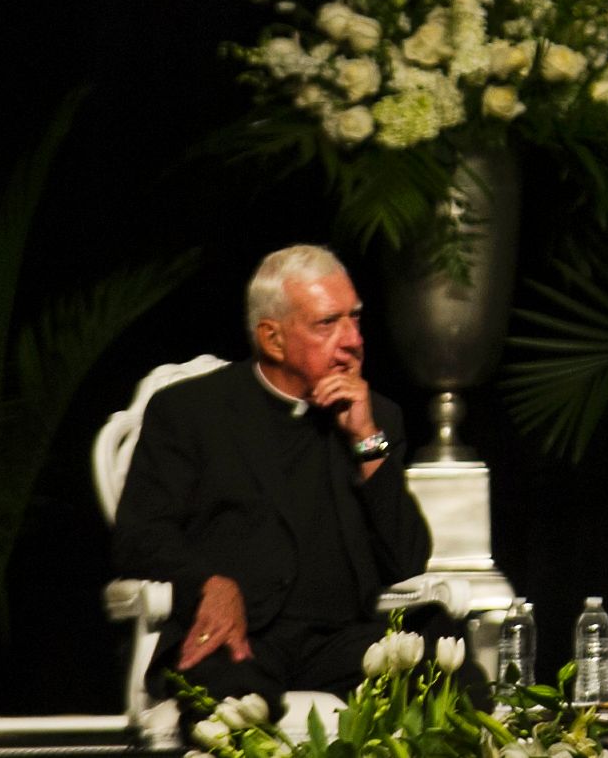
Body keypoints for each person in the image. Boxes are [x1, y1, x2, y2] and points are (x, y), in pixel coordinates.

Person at [108, 245, 435, 702]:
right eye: (328, 323)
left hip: (343, 644)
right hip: (241, 641)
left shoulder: (379, 418)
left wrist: (366, 439)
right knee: (230, 696)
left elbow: (407, 560)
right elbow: (139, 535)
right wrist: (208, 583)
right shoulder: (192, 412)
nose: (352, 340)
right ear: (272, 339)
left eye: (354, 319)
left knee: (446, 672)